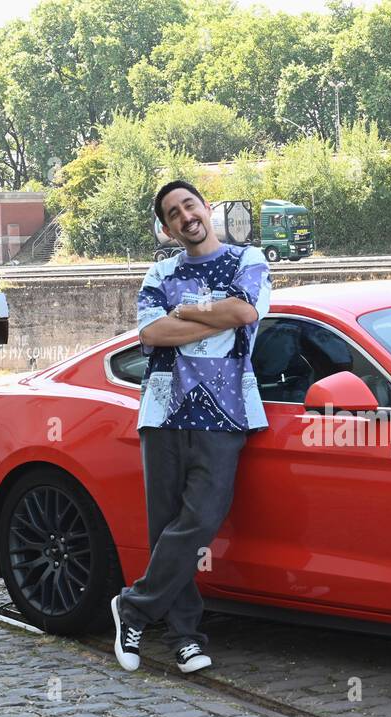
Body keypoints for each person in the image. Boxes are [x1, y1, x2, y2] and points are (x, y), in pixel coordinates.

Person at [111, 180, 270, 674]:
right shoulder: (159, 271)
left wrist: (185, 312)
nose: (185, 216)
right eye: (173, 213)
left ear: (206, 208)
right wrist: (213, 317)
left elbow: (245, 310)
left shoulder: (250, 260)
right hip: (163, 410)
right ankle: (184, 637)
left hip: (226, 412)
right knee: (166, 528)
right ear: (167, 228)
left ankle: (133, 606)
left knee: (200, 519)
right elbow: (152, 333)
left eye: (190, 205)